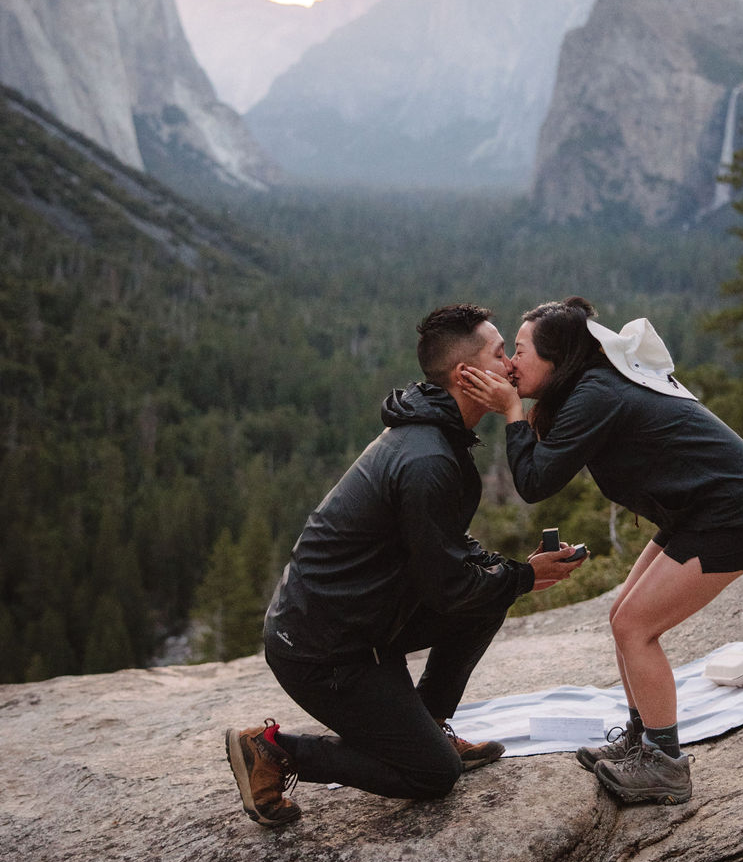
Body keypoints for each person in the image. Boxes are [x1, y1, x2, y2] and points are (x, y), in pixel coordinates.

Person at [226, 303, 582, 827]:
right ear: (466, 374)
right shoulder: (427, 458)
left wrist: (513, 573)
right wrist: (523, 577)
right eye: (500, 352)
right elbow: (449, 588)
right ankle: (276, 750)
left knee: (491, 596)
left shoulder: (437, 436)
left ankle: (428, 719)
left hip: (369, 623)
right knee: (432, 776)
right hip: (326, 651)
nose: (510, 365)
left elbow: (445, 548)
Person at [459, 296, 743, 808]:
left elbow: (534, 482)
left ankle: (665, 766)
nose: (511, 364)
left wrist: (512, 413)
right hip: (700, 510)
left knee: (636, 626)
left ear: (557, 356)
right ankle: (642, 740)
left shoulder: (598, 393)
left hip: (733, 513)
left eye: (519, 351)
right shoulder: (591, 387)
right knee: (621, 616)